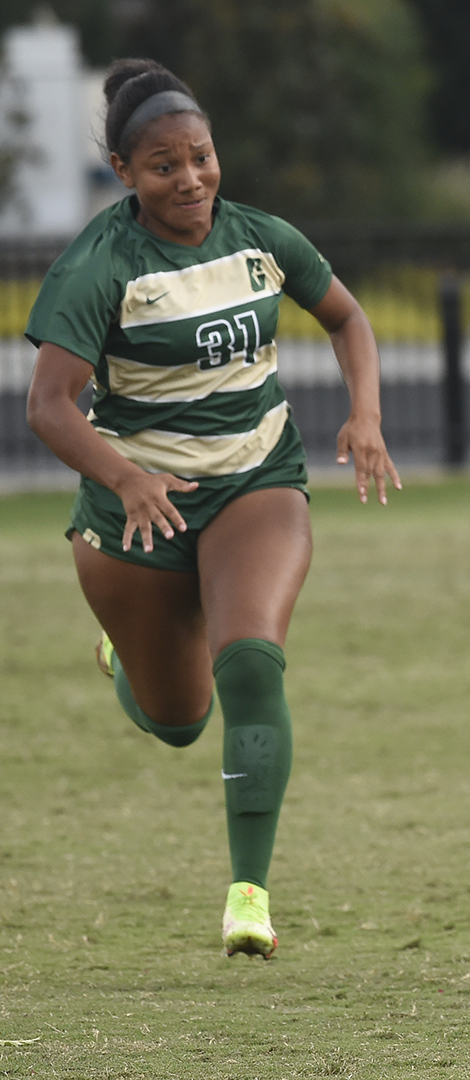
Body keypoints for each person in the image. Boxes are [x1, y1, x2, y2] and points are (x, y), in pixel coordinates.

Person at [22, 60, 399, 958]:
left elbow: (348, 319)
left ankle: (249, 896)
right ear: (123, 171)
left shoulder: (262, 239)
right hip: (136, 515)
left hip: (255, 481)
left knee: (252, 663)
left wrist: (368, 415)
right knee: (179, 721)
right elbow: (47, 404)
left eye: (201, 157)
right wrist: (125, 479)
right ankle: (124, 653)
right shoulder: (101, 265)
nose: (189, 178)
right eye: (163, 165)